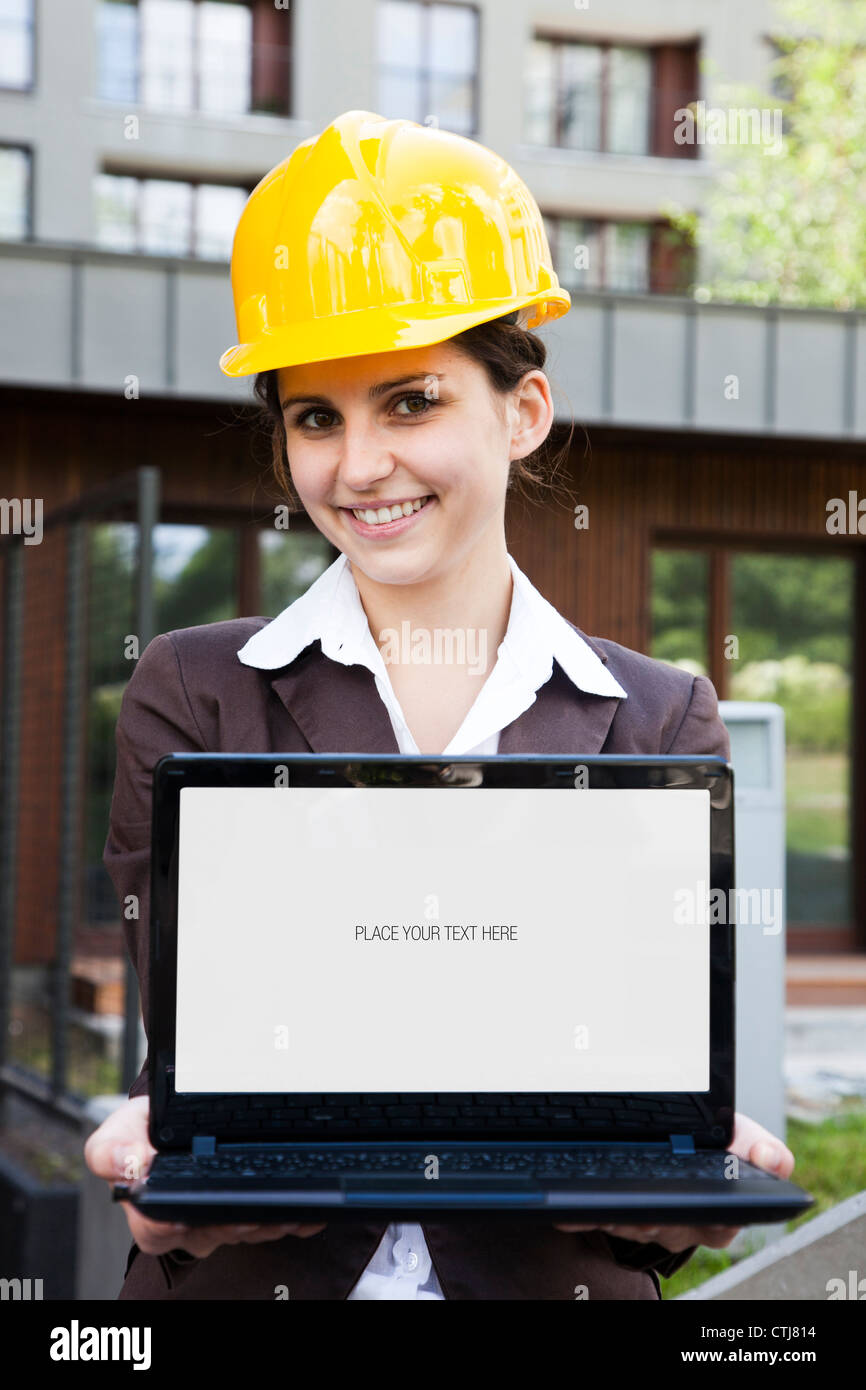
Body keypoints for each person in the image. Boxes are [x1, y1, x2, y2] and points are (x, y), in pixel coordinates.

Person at [85, 110, 795, 1300]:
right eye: (316, 416)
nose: (359, 465)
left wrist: (679, 1182)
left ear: (522, 412)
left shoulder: (657, 718)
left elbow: (644, 1130)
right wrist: (169, 1183)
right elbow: (207, 1069)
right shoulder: (193, 690)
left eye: (409, 401)